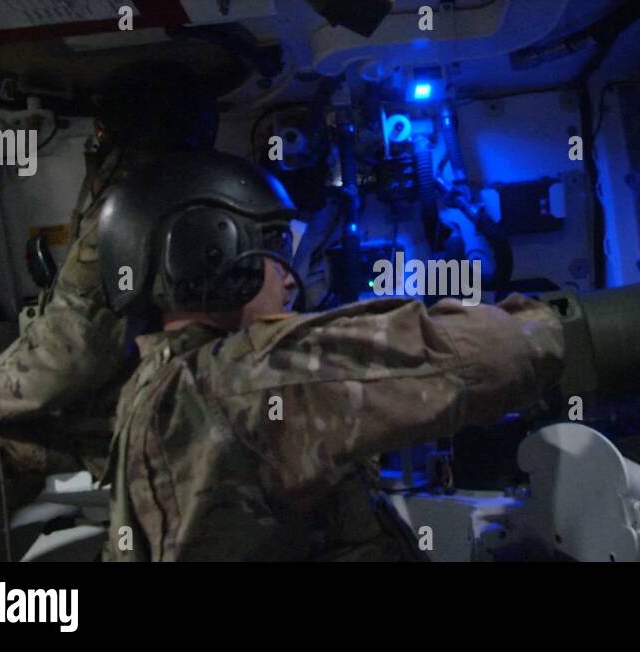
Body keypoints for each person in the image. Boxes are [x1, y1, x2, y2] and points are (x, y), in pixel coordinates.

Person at [99, 151, 566, 561]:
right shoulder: (235, 382)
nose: (288, 278)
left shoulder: (153, 387)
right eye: (273, 247)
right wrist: (559, 325)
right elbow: (487, 357)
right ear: (210, 252)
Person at [0, 61, 218, 561]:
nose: (93, 142)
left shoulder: (129, 215)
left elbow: (62, 363)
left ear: (120, 137)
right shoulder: (211, 201)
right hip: (166, 425)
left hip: (107, 438)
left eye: (100, 131)